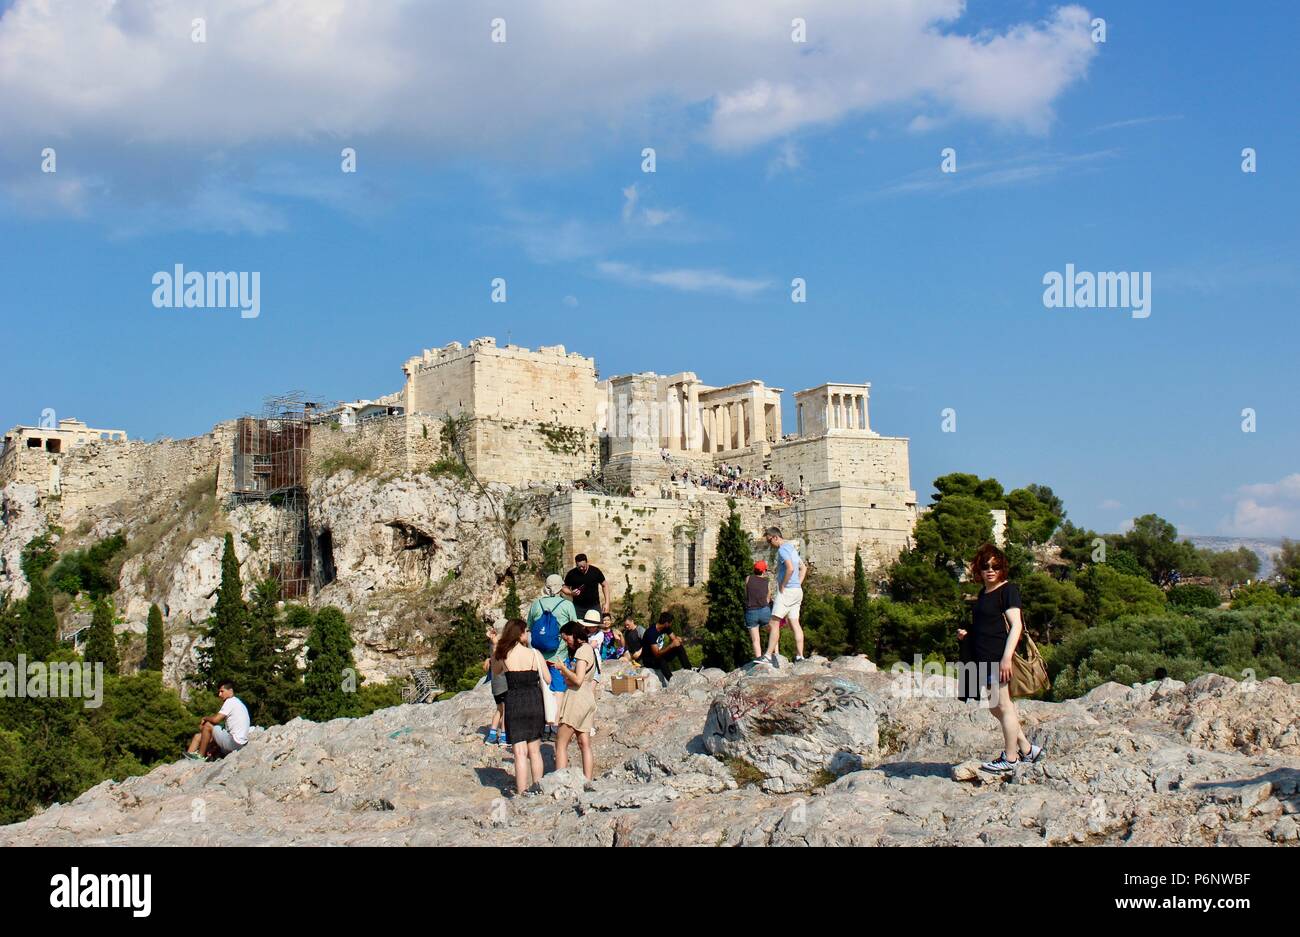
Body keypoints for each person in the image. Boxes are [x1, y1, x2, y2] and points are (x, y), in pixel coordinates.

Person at [958, 543, 1045, 774]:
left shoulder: (1008, 590)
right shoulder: (983, 593)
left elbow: (1016, 625)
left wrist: (1006, 658)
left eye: (995, 566)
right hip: (983, 657)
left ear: (1002, 568)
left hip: (998, 657)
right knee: (995, 708)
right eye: (985, 566)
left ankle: (1011, 758)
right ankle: (1027, 749)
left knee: (1004, 707)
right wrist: (969, 634)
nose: (990, 570)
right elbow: (987, 624)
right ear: (978, 569)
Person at [492, 618, 549, 794]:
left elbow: (495, 671)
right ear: (521, 633)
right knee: (535, 751)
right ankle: (538, 787)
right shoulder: (535, 654)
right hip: (534, 700)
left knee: (519, 752)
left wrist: (495, 647)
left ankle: (521, 790)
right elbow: (548, 679)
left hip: (514, 701)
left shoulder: (504, 655)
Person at [527, 573, 578, 741]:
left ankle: (544, 725)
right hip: (559, 655)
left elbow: (530, 627)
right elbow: (574, 627)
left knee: (542, 690)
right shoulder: (566, 605)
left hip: (539, 655)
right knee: (558, 690)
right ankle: (554, 724)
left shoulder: (536, 605)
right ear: (560, 587)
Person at [554, 622, 598, 781]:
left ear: (575, 635)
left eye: (567, 639)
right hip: (587, 698)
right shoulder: (588, 650)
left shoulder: (582, 651)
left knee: (560, 742)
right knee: (584, 742)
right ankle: (587, 780)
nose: (567, 643)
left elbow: (578, 680)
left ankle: (560, 781)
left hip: (577, 700)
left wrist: (563, 669)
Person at [763, 526, 806, 665]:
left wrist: (783, 584)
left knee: (773, 622)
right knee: (795, 623)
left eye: (770, 541)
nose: (770, 544)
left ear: (775, 537)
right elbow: (803, 568)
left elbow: (790, 568)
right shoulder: (792, 548)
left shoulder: (782, 550)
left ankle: (768, 656)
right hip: (797, 591)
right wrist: (797, 583)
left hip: (786, 591)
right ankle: (800, 656)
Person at [185, 680, 250, 761]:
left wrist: (205, 718)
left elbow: (216, 720)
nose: (219, 694)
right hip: (239, 743)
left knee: (208, 725)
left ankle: (200, 756)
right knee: (198, 736)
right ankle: (187, 760)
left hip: (234, 743)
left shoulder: (230, 701)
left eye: (222, 691)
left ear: (230, 691)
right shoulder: (238, 703)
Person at [640, 611, 692, 686]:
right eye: (671, 623)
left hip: (658, 655)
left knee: (678, 647)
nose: (671, 624)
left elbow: (674, 640)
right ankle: (672, 681)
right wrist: (671, 645)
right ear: (666, 623)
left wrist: (679, 640)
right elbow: (656, 654)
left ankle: (689, 669)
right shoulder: (651, 633)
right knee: (661, 660)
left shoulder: (666, 628)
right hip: (649, 660)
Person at [483, 622, 509, 746]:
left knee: (499, 709)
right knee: (506, 710)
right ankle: (504, 736)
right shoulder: (499, 645)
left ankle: (492, 735)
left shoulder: (492, 644)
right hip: (503, 683)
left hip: (495, 684)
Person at [744, 559, 773, 663]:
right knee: (773, 632)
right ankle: (775, 653)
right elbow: (768, 597)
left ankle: (759, 658)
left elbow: (746, 594)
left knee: (756, 640)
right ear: (764, 571)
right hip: (764, 610)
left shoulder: (748, 579)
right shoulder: (767, 582)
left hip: (751, 611)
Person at [564, 554, 608, 620]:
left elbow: (605, 585)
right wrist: (571, 593)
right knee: (578, 629)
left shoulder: (595, 571)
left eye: (583, 566)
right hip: (578, 608)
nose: (581, 568)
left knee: (596, 627)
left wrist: (607, 603)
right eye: (579, 567)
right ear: (576, 564)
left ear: (587, 562)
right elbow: (564, 588)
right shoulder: (571, 574)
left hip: (594, 606)